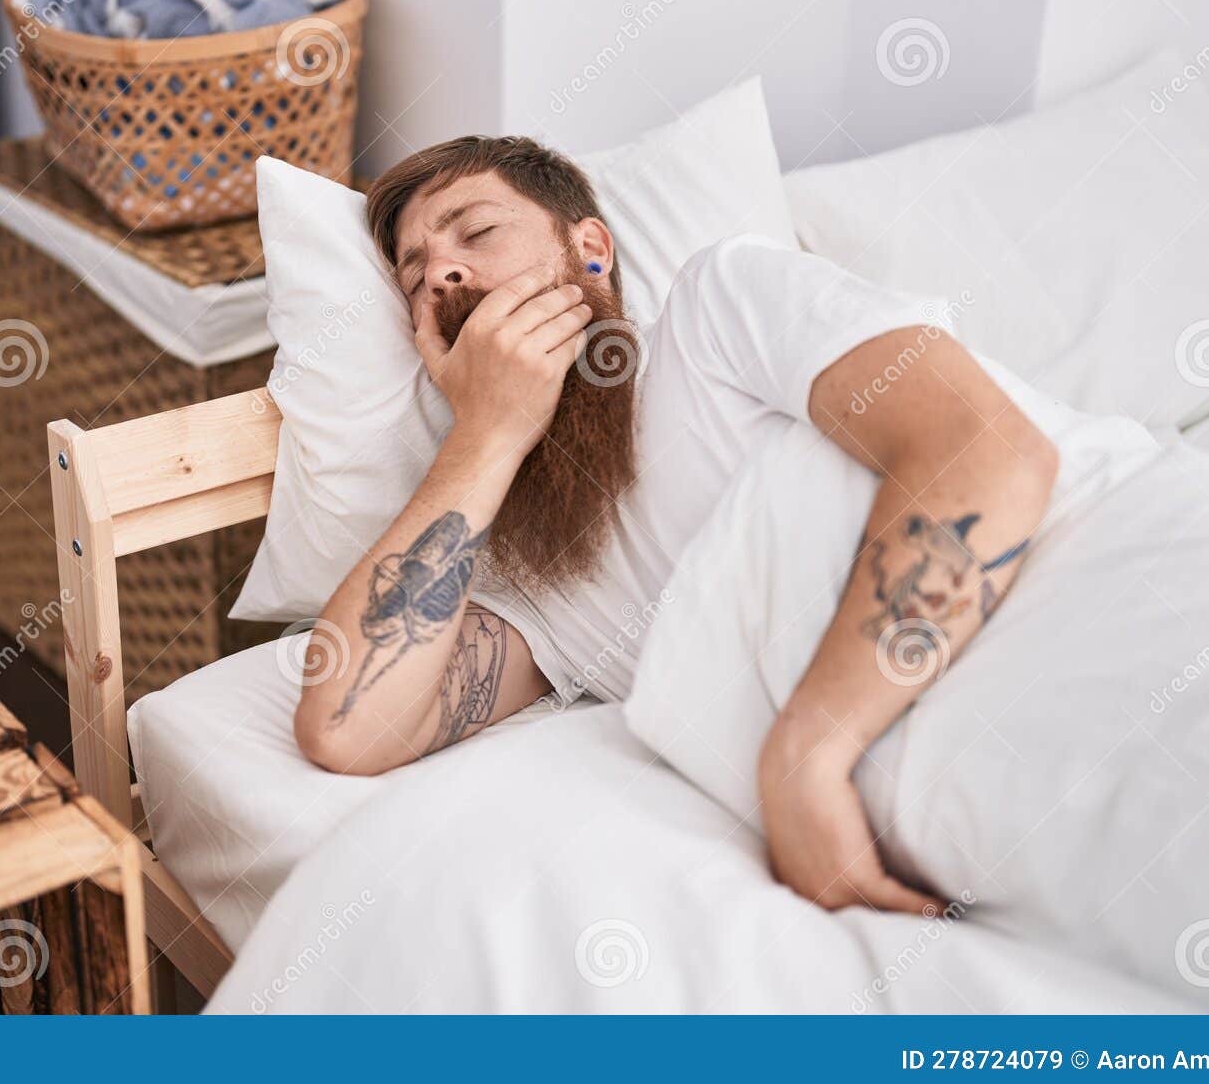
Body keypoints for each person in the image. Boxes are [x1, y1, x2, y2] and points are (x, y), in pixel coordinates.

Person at [292, 135, 1058, 916]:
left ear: (589, 248)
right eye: (417, 279)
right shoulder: (535, 584)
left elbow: (989, 454)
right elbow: (346, 727)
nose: (443, 273)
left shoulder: (719, 311)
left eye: (477, 233)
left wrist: (811, 754)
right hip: (1009, 828)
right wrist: (485, 435)